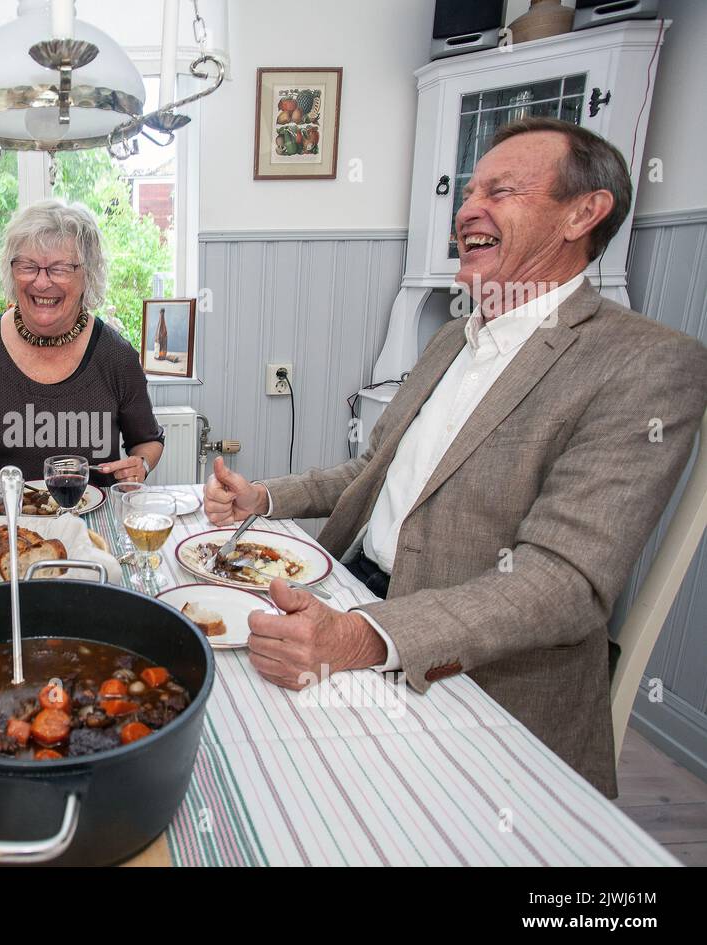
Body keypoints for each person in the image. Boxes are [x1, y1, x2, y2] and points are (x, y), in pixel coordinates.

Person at [206, 118, 707, 796]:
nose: (467, 210)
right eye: (469, 193)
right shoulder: (451, 338)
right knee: (219, 716)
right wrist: (262, 498)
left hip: (478, 674)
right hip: (350, 589)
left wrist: (364, 637)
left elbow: (562, 585)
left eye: (501, 191)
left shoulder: (644, 363)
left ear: (583, 213)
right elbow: (374, 473)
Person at [0, 199, 164, 495]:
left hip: (92, 529)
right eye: (28, 267)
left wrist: (140, 464)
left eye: (60, 269)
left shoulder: (116, 355)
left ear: (87, 275)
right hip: (4, 527)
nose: (41, 283)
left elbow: (148, 441)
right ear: (11, 272)